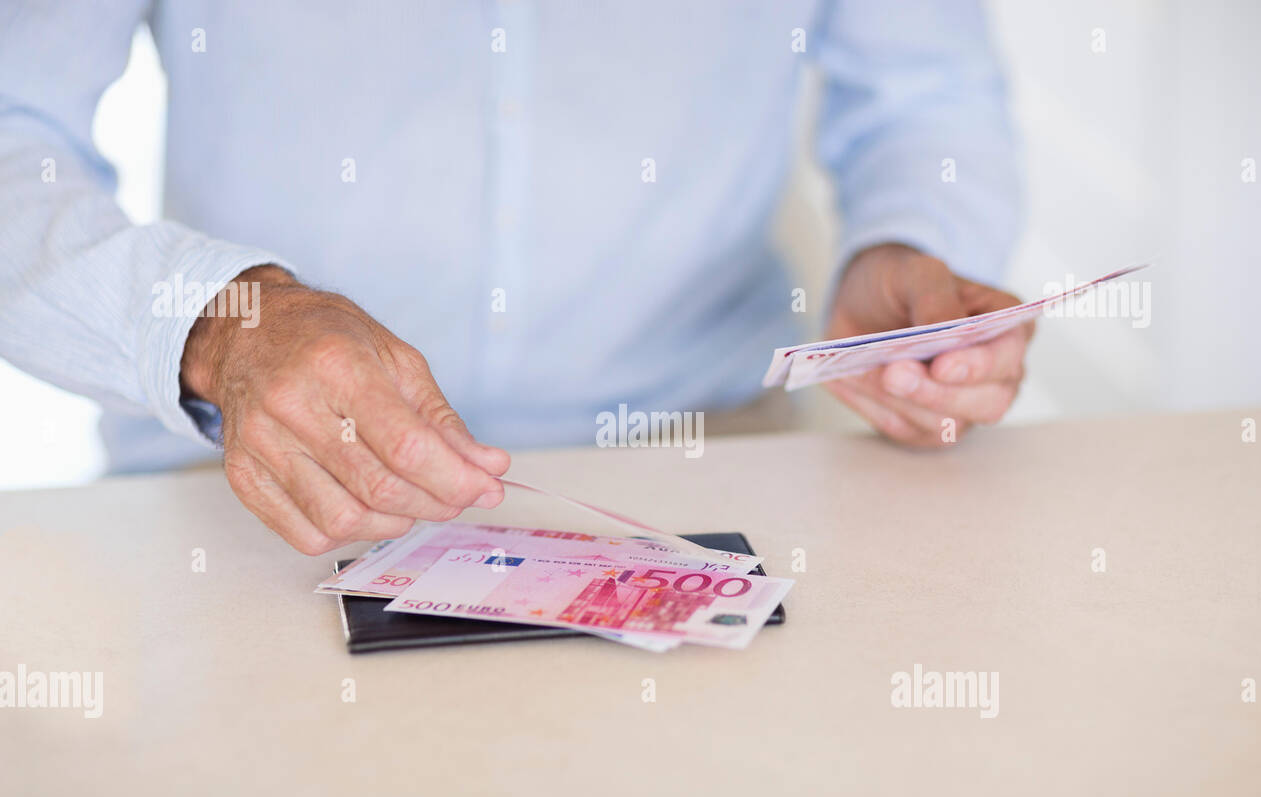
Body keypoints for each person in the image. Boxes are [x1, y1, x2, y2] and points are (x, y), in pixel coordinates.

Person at [0, 1, 1030, 554]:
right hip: (239, 483)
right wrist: (217, 327)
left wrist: (903, 240)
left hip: (713, 461)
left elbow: (926, 95)